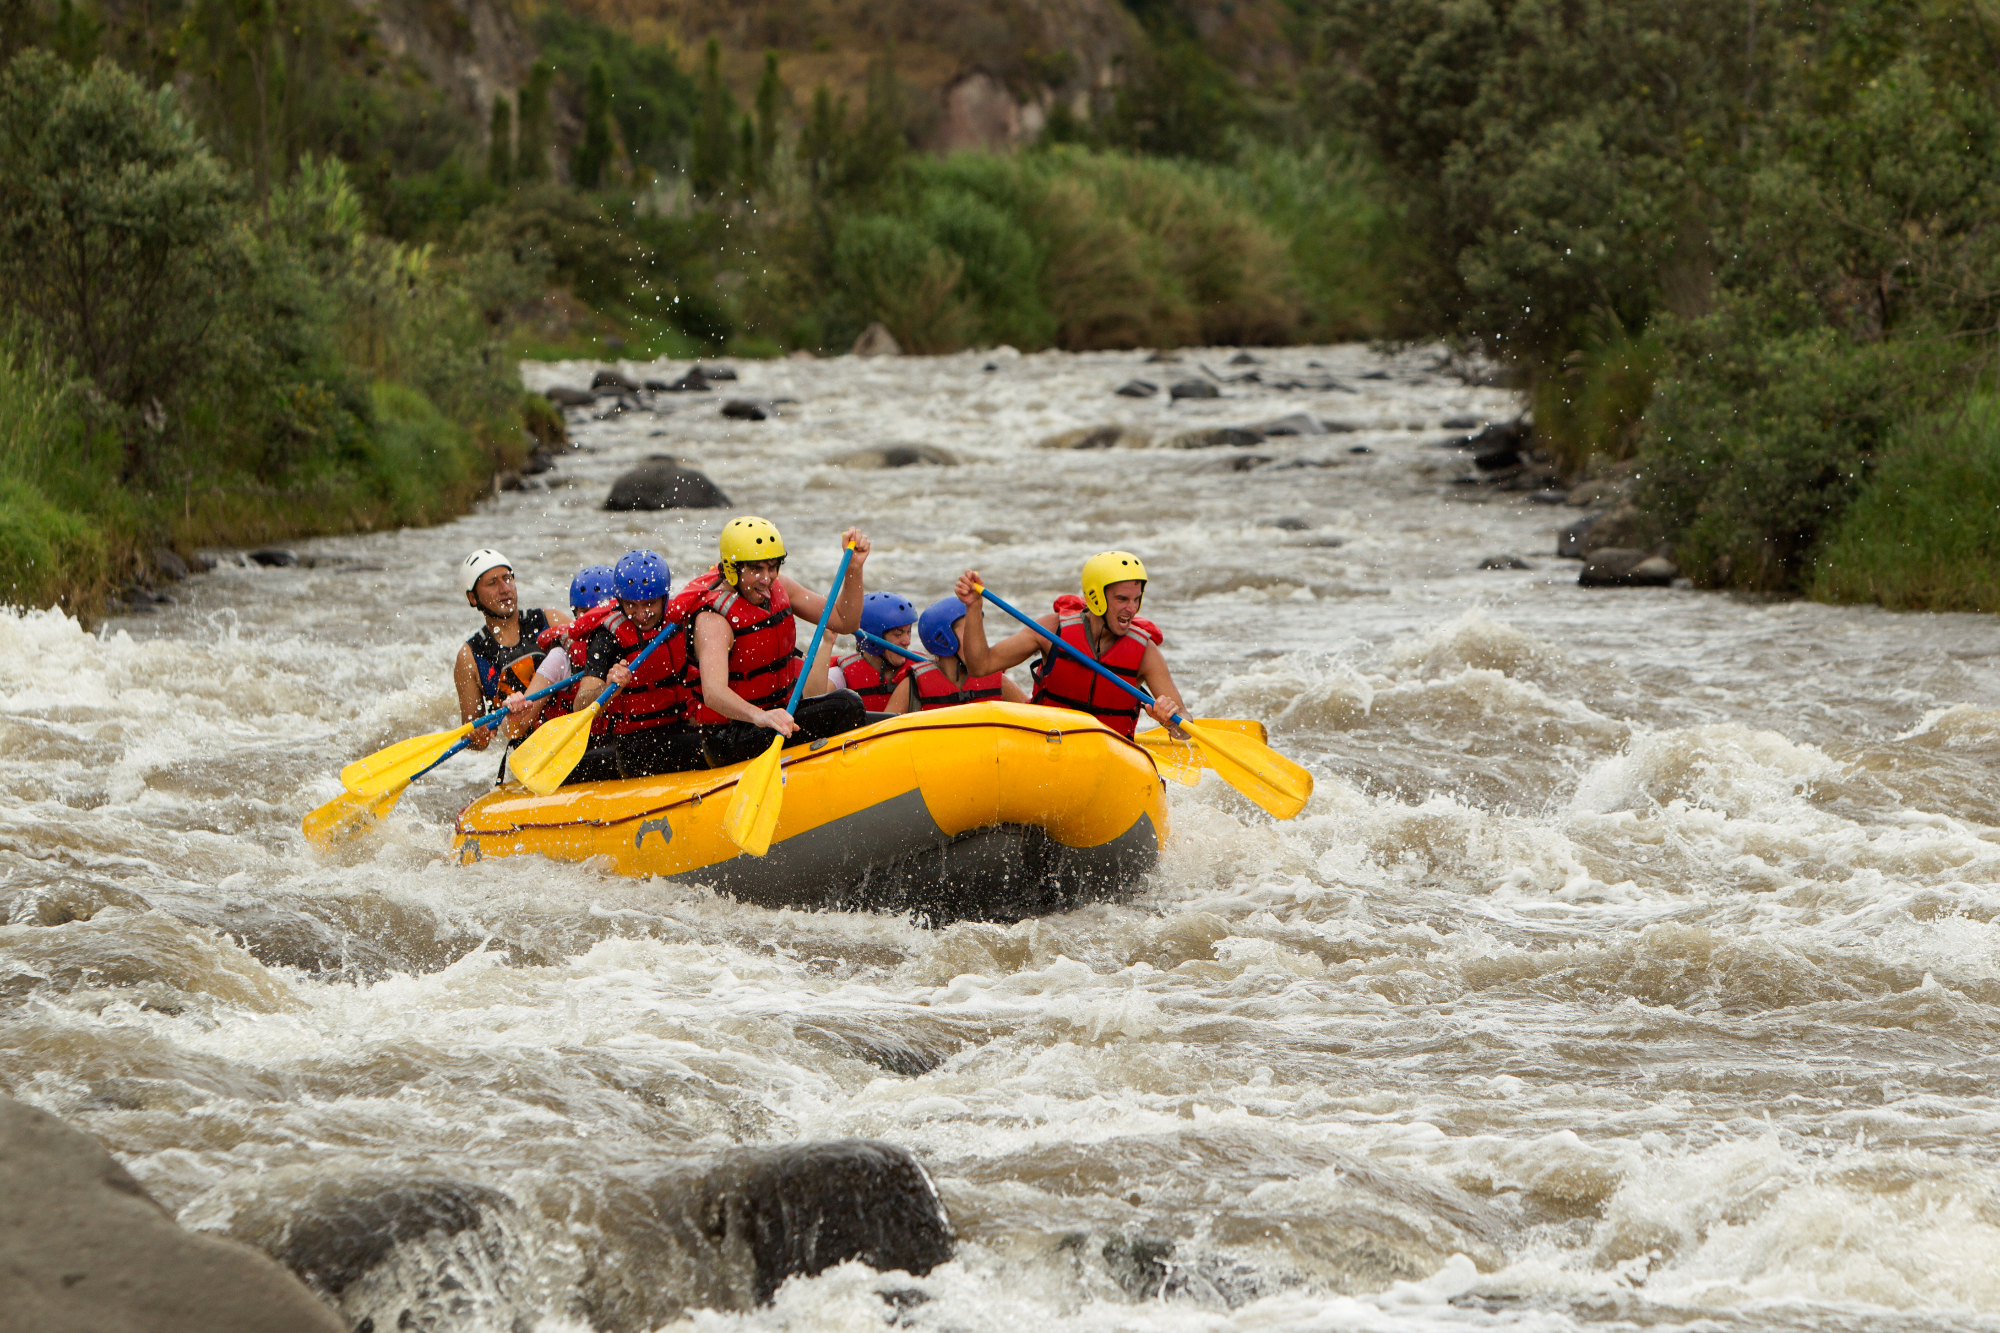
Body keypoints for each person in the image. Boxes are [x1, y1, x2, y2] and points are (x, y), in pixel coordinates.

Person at [682, 516, 872, 768]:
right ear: (731, 569)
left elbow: (844, 621)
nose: (766, 578)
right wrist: (760, 717)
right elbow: (714, 694)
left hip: (777, 716)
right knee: (846, 704)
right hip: (730, 737)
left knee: (863, 714)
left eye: (772, 567)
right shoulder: (714, 620)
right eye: (756, 569)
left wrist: (854, 569)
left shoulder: (782, 588)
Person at [951, 551, 1184, 737]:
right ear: (1096, 597)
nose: (1131, 608)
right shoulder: (1052, 630)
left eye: (1136, 599)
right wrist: (974, 607)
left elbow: (1184, 726)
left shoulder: (1145, 652)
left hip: (1108, 763)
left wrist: (1169, 719)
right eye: (1122, 599)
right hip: (1049, 747)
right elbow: (980, 666)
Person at [570, 549, 707, 779]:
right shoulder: (606, 636)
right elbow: (580, 707)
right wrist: (610, 688)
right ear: (619, 600)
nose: (641, 614)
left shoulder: (682, 621)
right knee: (711, 745)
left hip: (682, 725)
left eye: (650, 604)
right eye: (631, 604)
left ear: (665, 597)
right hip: (636, 747)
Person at [500, 564, 621, 783]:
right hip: (572, 758)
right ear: (575, 615)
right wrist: (515, 713)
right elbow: (513, 730)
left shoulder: (632, 649)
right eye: (584, 614)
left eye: (600, 616)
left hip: (617, 748)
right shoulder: (561, 658)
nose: (593, 625)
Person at [453, 549, 570, 752]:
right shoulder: (470, 656)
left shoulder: (551, 620)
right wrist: (477, 736)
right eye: (492, 583)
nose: (505, 588)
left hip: (569, 731)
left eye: (508, 578)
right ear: (473, 598)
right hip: (528, 752)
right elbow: (474, 742)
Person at [886, 597, 1026, 713]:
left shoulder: (1000, 682)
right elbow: (882, 734)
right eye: (970, 632)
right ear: (944, 639)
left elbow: (1037, 718)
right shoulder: (911, 687)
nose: (978, 640)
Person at [832, 592, 918, 711]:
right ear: (873, 639)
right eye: (898, 634)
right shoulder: (840, 675)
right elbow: (813, 699)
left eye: (908, 632)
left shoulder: (919, 671)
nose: (907, 641)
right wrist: (827, 643)